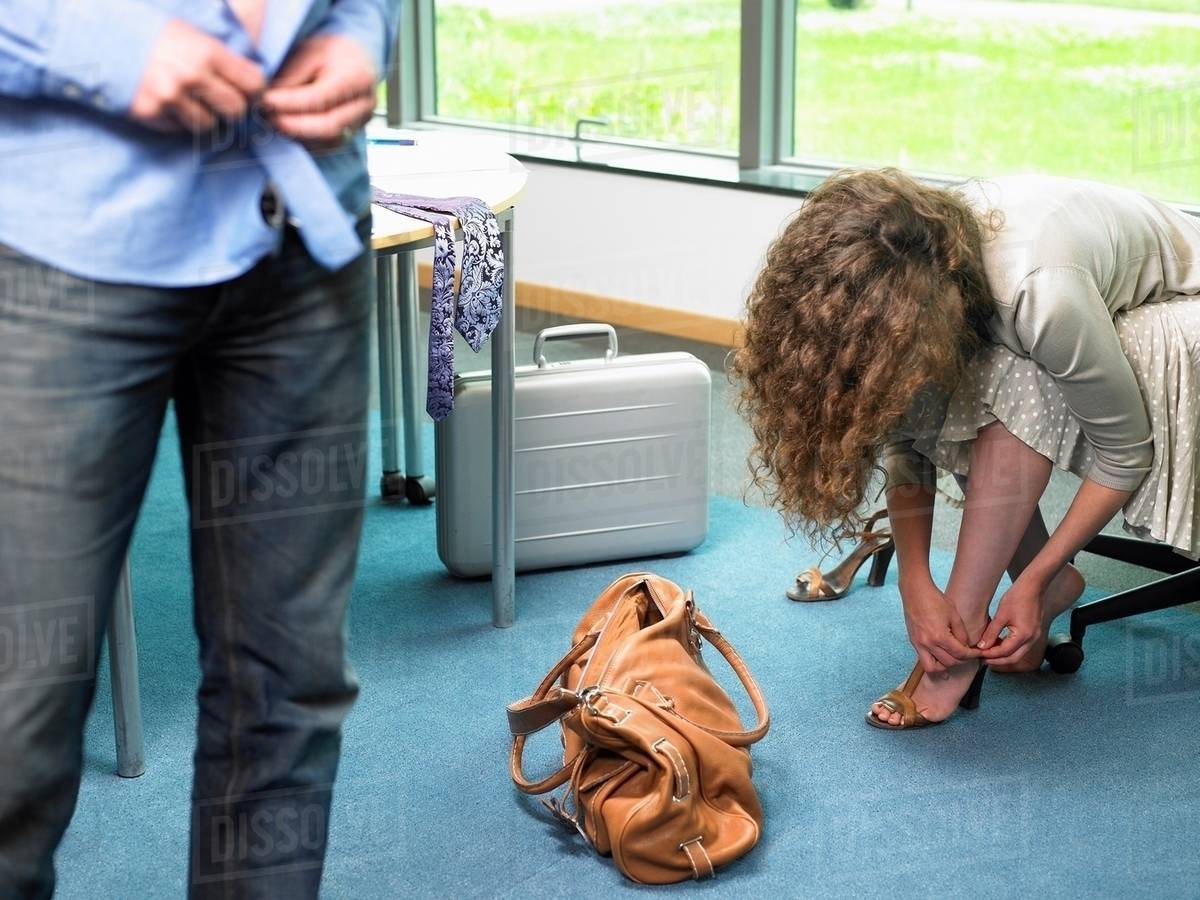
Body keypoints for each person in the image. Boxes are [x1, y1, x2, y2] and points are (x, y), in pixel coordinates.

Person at [0, 1, 399, 896]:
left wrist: (361, 31)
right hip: (51, 250)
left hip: (301, 235)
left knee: (289, 694)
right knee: (15, 722)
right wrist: (96, 41)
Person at [732, 168, 1200, 729]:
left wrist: (1029, 583)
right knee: (944, 384)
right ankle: (1021, 595)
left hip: (1181, 301)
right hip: (1053, 290)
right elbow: (907, 436)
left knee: (1008, 376)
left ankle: (979, 615)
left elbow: (1125, 454)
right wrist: (914, 583)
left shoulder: (1041, 298)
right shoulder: (914, 260)